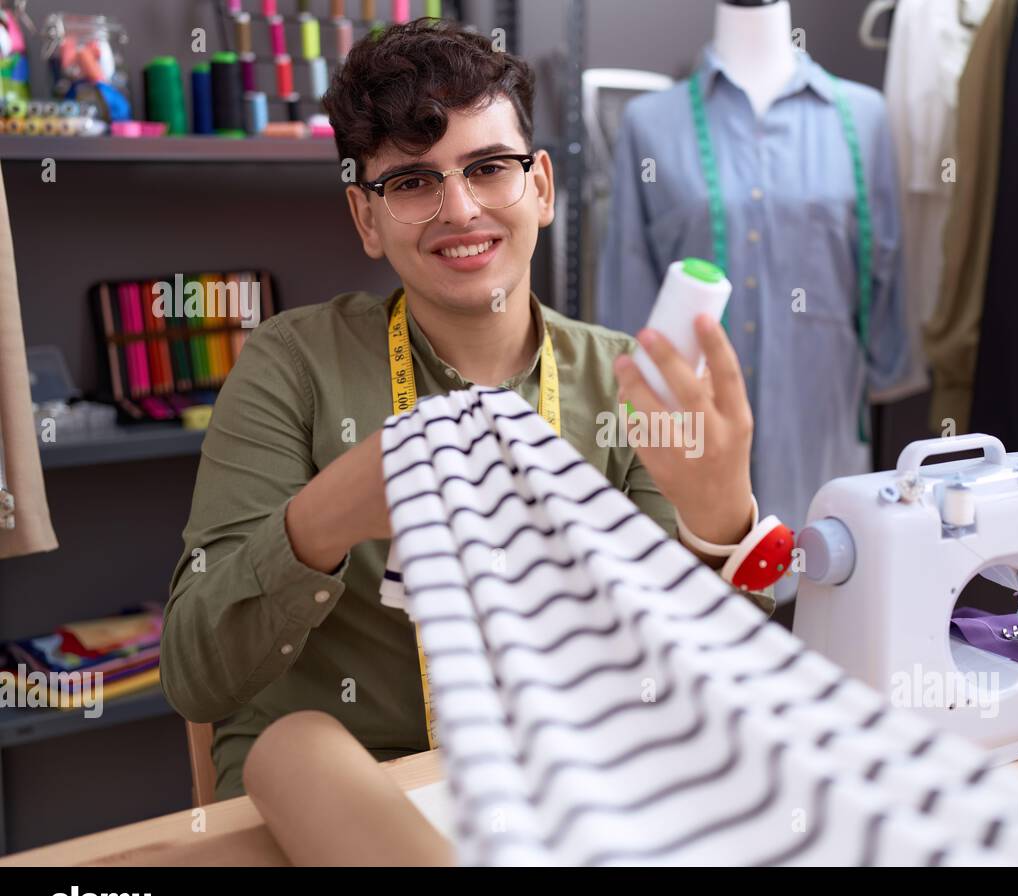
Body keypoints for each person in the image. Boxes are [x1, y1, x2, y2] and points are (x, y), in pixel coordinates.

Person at [160, 18, 771, 800]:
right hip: (346, 796)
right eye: (412, 182)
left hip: (560, 786)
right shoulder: (292, 366)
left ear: (541, 187)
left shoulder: (632, 387)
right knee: (302, 749)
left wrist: (719, 524)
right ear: (366, 218)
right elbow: (194, 680)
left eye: (488, 168)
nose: (459, 209)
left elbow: (700, 692)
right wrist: (323, 519)